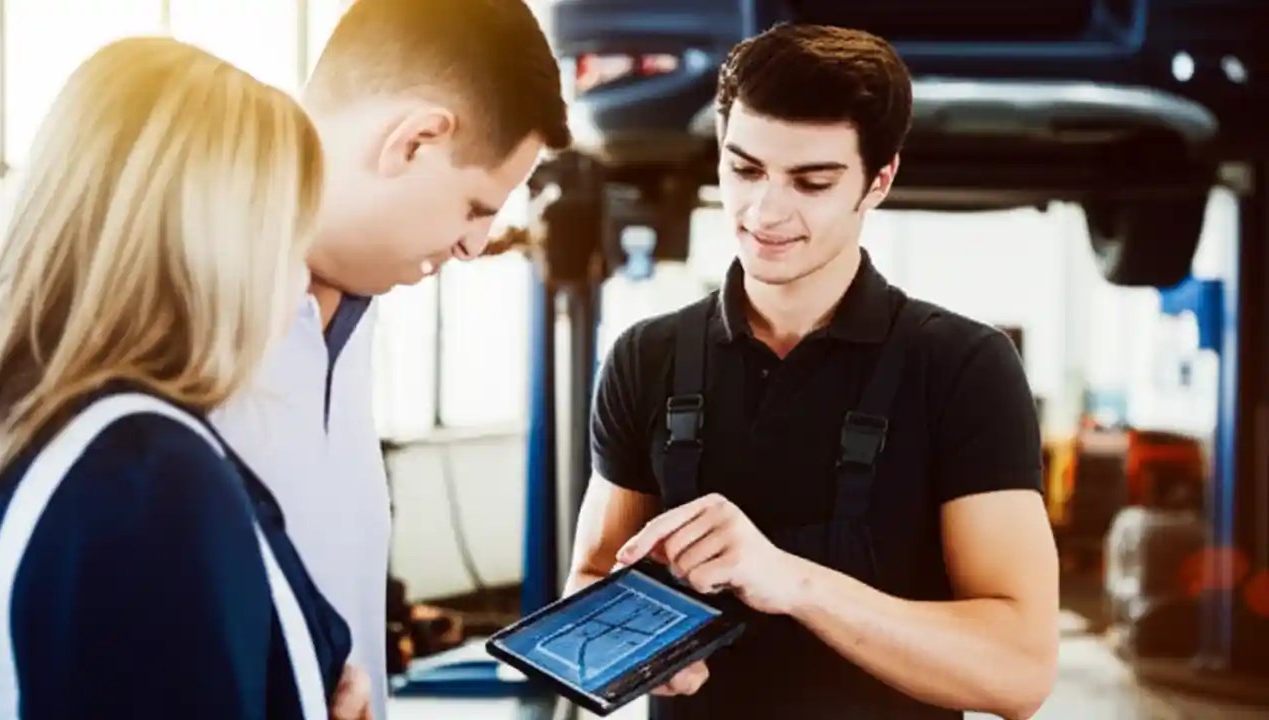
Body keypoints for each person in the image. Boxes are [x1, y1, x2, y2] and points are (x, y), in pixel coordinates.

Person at [565, 23, 1060, 720]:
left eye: (812, 180)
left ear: (878, 179)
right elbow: (592, 577)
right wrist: (641, 655)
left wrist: (792, 582)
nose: (766, 212)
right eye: (744, 170)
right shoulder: (648, 358)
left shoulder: (962, 369)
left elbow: (1018, 670)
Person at [208, 1, 570, 716]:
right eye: (474, 206)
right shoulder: (182, 325)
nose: (474, 245)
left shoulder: (356, 303)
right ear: (414, 141)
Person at [0, 37, 364, 719]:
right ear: (221, 251)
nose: (299, 286)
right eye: (289, 242)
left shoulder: (42, 433)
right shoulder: (149, 482)